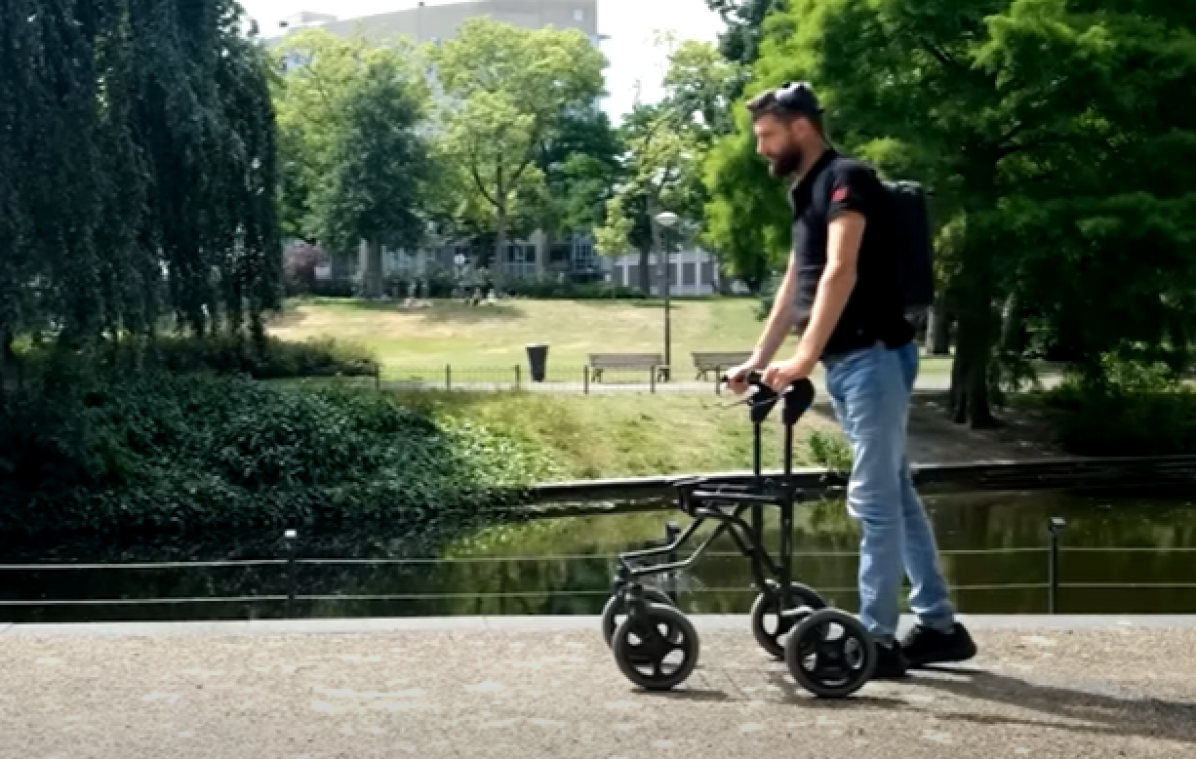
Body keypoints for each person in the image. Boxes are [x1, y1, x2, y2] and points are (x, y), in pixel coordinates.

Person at [725, 81, 977, 678]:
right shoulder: (804, 188)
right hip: (852, 362)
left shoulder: (849, 178)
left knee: (874, 502)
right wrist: (758, 359)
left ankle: (877, 639)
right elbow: (798, 282)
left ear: (801, 127)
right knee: (896, 496)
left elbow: (842, 268)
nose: (761, 148)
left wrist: (804, 358)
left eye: (767, 136)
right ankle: (938, 626)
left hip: (874, 358)